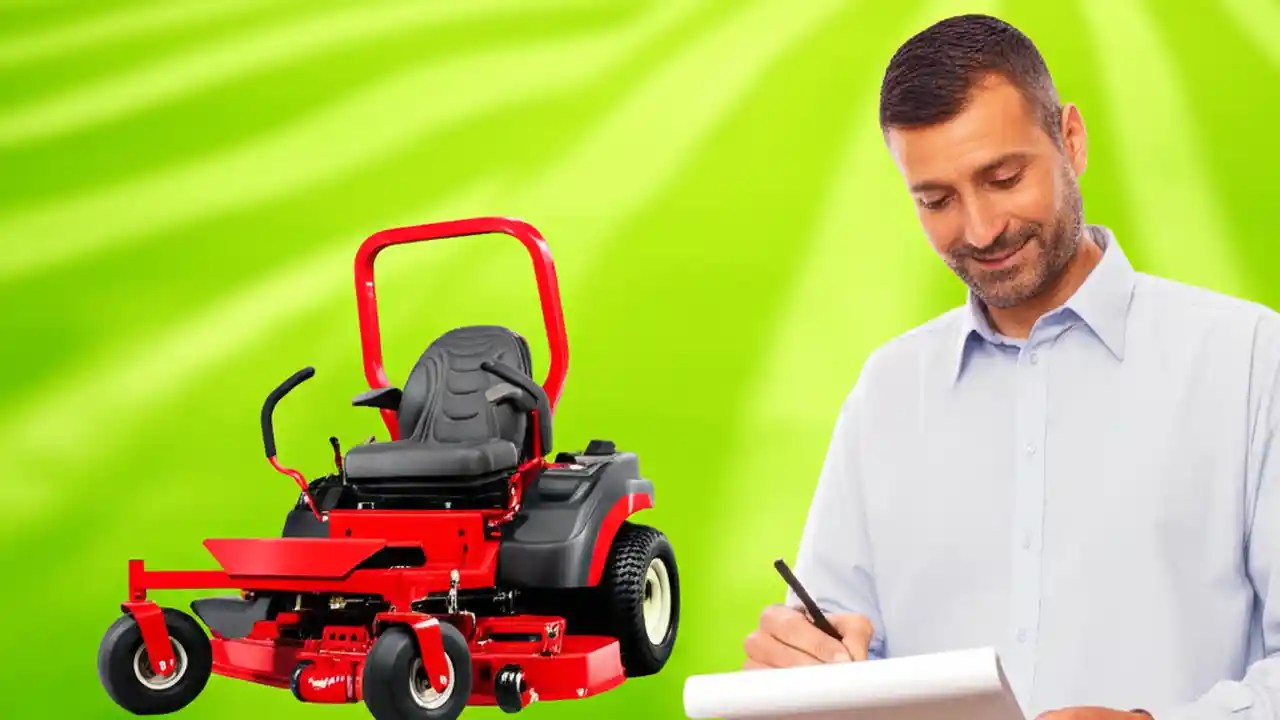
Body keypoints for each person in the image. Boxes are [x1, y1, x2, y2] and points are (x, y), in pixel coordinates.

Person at [741, 13, 1280, 720]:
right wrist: (805, 667)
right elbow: (839, 654)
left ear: (1071, 139)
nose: (980, 229)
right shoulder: (889, 391)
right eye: (936, 200)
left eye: (1002, 177)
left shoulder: (1249, 361)